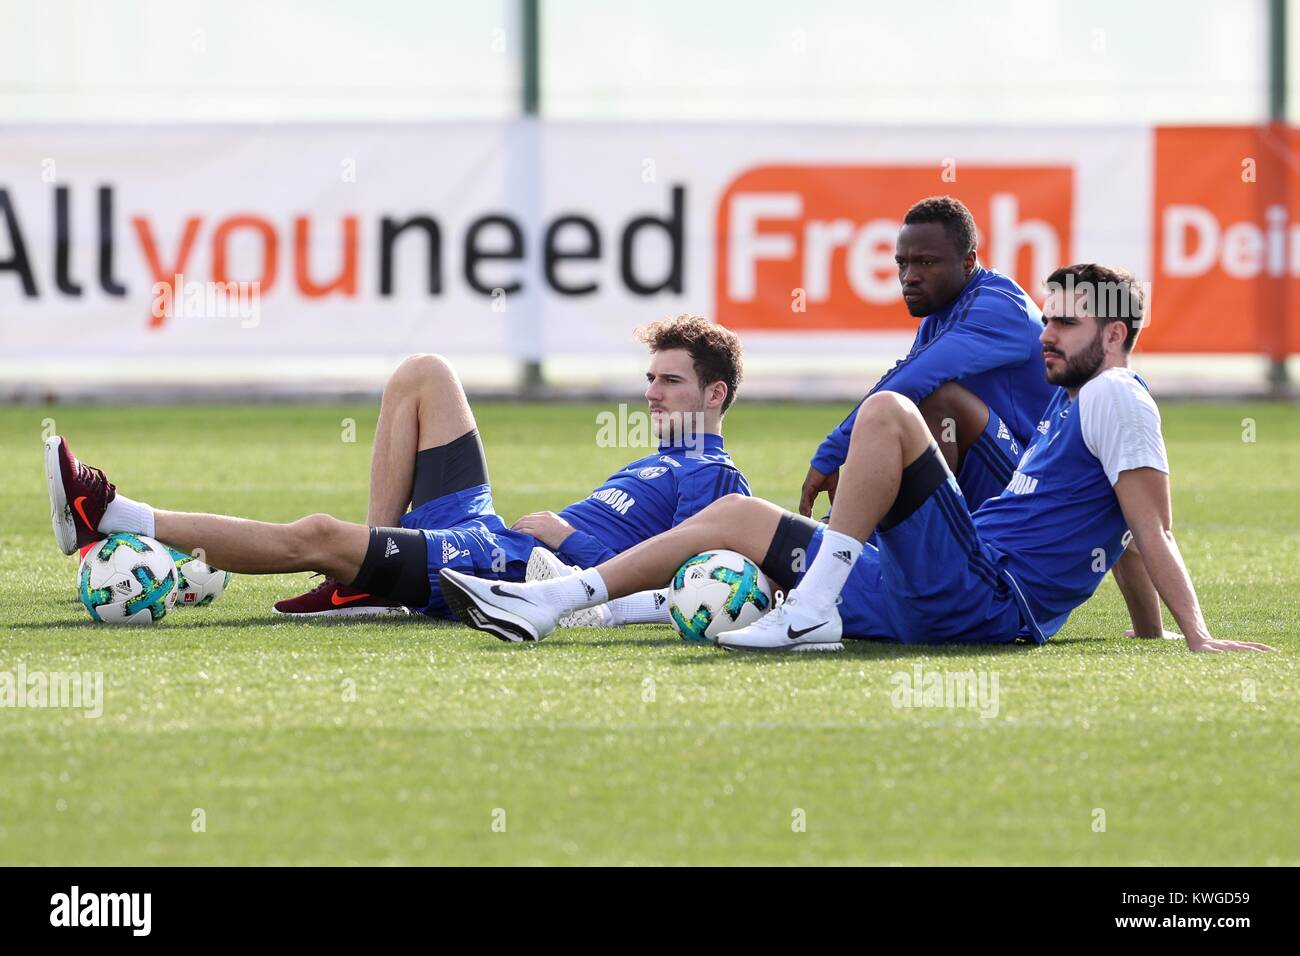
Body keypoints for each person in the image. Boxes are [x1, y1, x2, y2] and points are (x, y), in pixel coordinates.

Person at [438, 265, 1274, 655]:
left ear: (1117, 335)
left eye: (1067, 323)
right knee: (731, 518)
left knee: (887, 410)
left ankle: (811, 609)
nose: (1045, 333)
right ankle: (553, 602)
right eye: (1047, 317)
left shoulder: (1118, 397)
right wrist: (1144, 632)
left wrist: (1194, 635)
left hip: (986, 601)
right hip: (938, 592)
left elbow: (1148, 528)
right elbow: (1116, 532)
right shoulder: (1074, 399)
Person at [45, 316, 750, 625]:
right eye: (650, 377)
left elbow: (666, 579)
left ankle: (105, 515)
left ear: (715, 395)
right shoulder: (661, 459)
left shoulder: (714, 481)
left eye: (671, 382)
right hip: (495, 539)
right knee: (424, 374)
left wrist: (568, 538)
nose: (651, 392)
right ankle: (370, 581)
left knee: (315, 535)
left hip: (500, 568)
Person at [800, 196, 1056, 518]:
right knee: (911, 412)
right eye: (902, 263)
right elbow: (906, 382)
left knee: (938, 403)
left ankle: (920, 546)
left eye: (927, 262)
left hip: (1032, 489)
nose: (909, 276)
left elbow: (912, 381)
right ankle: (863, 535)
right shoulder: (940, 314)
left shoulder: (998, 308)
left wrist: (831, 452)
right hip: (1002, 475)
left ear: (968, 262)